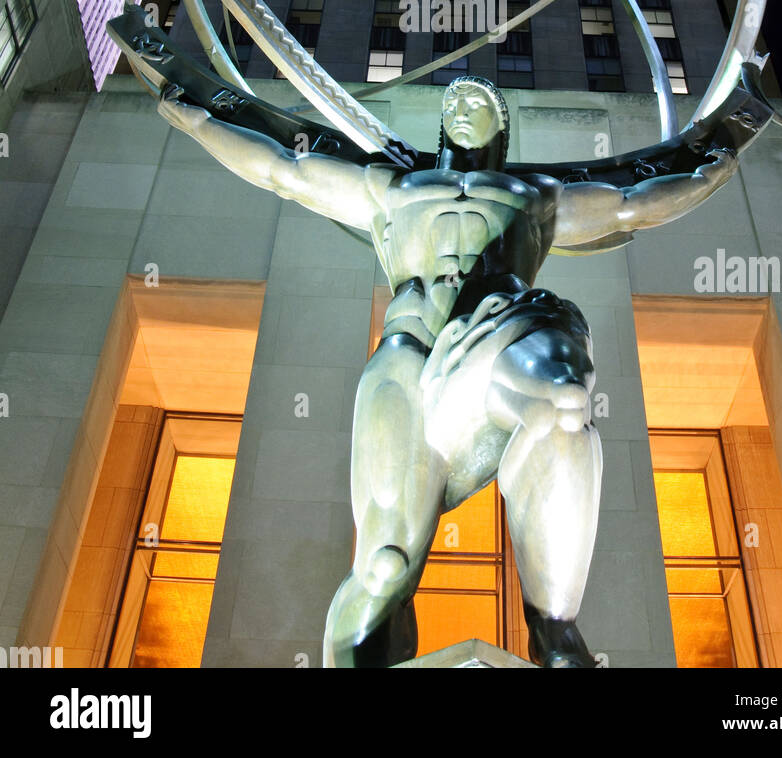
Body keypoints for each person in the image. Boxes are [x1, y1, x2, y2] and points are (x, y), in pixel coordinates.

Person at [158, 74, 737, 668]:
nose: (461, 108)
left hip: (496, 335)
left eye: (478, 102)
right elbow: (284, 168)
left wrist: (718, 161)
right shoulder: (392, 184)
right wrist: (199, 119)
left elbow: (632, 199)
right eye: (453, 101)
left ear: (502, 126)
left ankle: (554, 630)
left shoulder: (534, 192)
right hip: (410, 362)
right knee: (384, 567)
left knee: (563, 397)